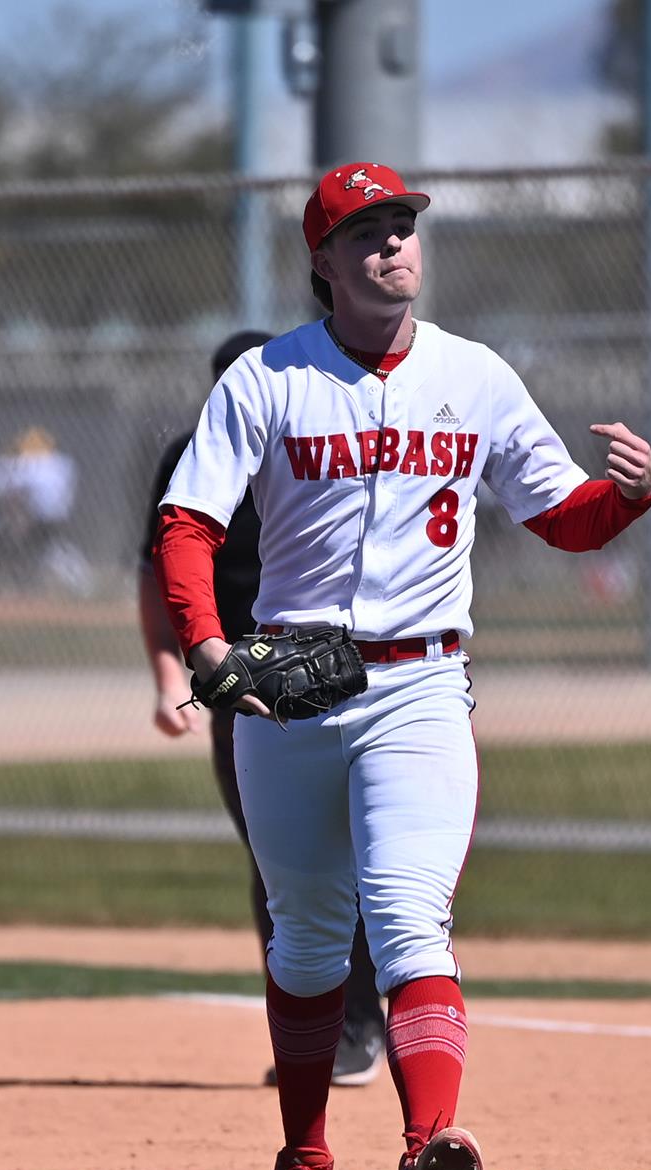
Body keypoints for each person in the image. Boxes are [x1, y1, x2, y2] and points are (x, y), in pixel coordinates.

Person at [153, 163, 651, 1170]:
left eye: (402, 225)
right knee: (304, 939)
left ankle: (430, 1147)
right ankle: (303, 1166)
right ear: (322, 262)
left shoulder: (472, 376)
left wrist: (626, 496)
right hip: (289, 685)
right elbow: (185, 523)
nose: (391, 243)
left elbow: (557, 515)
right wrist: (202, 644)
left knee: (404, 909)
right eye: (364, 231)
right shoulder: (264, 379)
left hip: (422, 684)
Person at [137, 331, 387, 1090]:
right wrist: (165, 674)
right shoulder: (194, 457)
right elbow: (158, 574)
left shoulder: (319, 438)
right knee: (274, 854)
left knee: (365, 849)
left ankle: (361, 1024)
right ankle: (313, 1030)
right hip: (238, 679)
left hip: (333, 667)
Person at [0, 426, 90, 596]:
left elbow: (17, 496)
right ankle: (18, 581)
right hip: (49, 518)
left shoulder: (29, 465)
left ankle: (17, 582)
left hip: (39, 520)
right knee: (49, 550)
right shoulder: (60, 464)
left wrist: (20, 519)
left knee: (47, 551)